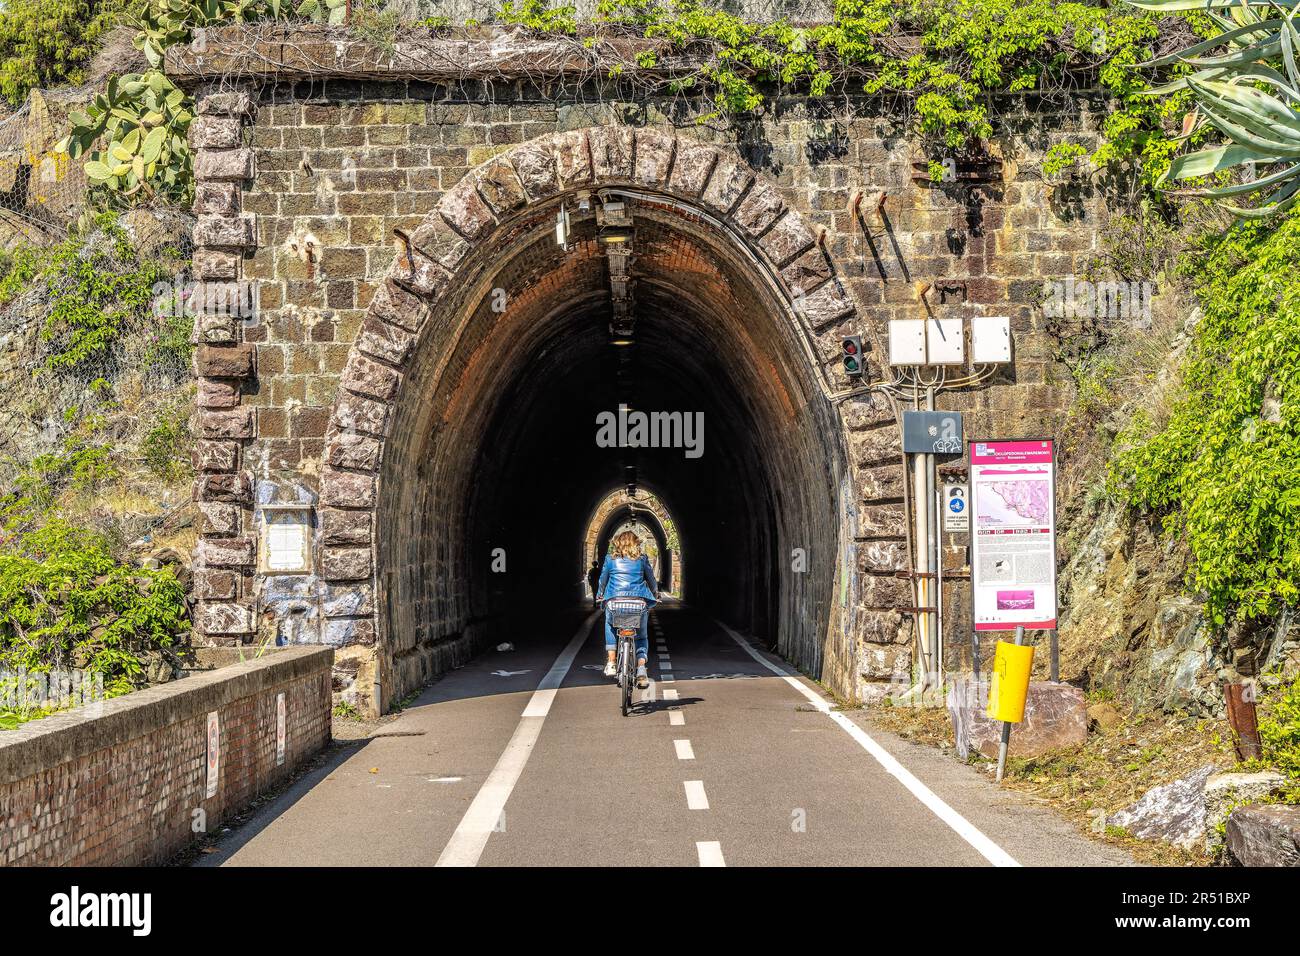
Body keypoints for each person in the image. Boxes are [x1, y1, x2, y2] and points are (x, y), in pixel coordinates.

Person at [596, 531, 658, 688]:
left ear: (617, 543)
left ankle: (611, 662)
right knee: (641, 637)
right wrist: (655, 593)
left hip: (615, 603)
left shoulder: (610, 559)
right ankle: (641, 669)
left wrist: (599, 594)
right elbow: (651, 580)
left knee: (609, 625)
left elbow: (602, 580)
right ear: (636, 543)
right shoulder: (642, 559)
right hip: (638, 604)